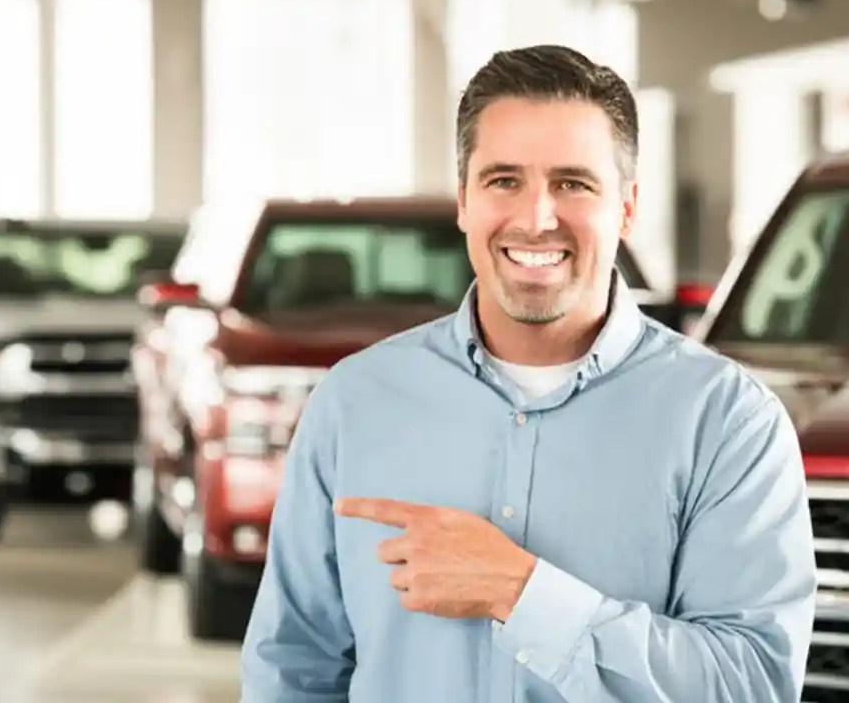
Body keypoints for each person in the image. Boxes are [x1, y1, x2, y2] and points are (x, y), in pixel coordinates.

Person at [239, 44, 816, 702]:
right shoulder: (355, 403)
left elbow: (751, 684)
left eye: (573, 182)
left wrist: (520, 592)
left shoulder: (726, 421)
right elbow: (293, 670)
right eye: (503, 180)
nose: (537, 218)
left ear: (626, 206)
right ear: (463, 200)